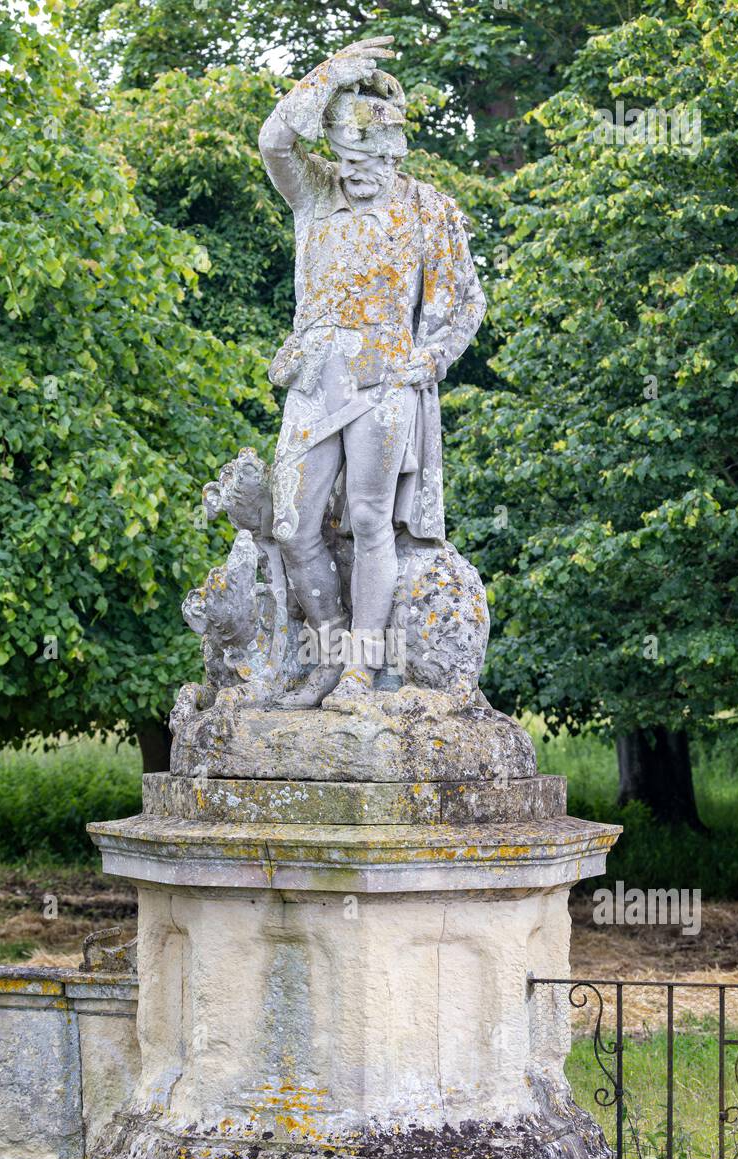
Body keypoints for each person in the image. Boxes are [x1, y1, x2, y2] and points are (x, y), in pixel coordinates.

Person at [259, 36, 486, 708]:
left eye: (368, 155)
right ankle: (327, 653)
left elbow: (465, 299)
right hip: (313, 375)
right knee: (291, 525)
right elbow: (273, 141)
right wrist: (325, 75)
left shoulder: (426, 207)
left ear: (394, 150)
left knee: (368, 520)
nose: (354, 167)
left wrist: (430, 357)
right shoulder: (314, 192)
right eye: (344, 153)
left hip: (387, 379)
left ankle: (360, 667)